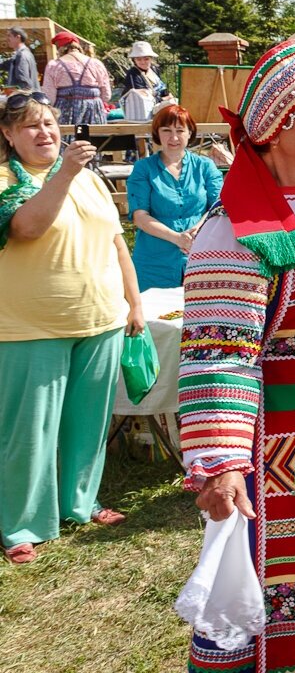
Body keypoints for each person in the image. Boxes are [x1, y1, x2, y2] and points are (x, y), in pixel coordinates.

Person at [178, 40, 295, 672]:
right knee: (286, 590)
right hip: (279, 449)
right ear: (275, 131)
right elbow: (215, 357)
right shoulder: (233, 229)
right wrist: (222, 462)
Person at [0, 90, 144, 565]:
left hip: (100, 319)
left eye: (48, 124)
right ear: (7, 135)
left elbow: (117, 243)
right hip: (29, 327)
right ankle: (21, 523)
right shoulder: (6, 178)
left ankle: (81, 503)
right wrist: (63, 172)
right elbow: (26, 228)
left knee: (88, 424)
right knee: (29, 432)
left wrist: (133, 303)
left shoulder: (90, 180)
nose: (44, 133)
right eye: (30, 127)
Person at [126, 104, 222, 290]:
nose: (174, 137)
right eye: (166, 130)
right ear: (157, 133)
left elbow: (219, 205)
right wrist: (177, 238)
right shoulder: (143, 168)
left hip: (202, 255)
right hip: (154, 261)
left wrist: (198, 229)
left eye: (180, 130)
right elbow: (140, 216)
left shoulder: (205, 166)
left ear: (190, 132)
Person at [42, 32, 112, 127]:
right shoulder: (96, 63)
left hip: (65, 111)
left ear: (60, 48)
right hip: (93, 111)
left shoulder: (54, 66)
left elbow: (49, 97)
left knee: (70, 138)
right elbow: (106, 95)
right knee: (94, 139)